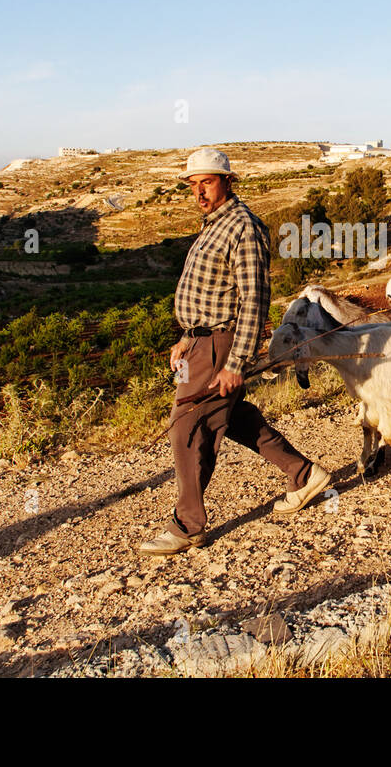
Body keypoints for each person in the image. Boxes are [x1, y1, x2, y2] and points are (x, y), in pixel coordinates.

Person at [136, 148, 331, 556]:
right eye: (193, 184)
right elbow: (208, 296)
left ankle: (188, 525)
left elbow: (254, 301)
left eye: (206, 182)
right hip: (200, 341)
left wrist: (235, 362)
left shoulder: (243, 227)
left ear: (228, 181)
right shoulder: (213, 224)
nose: (199, 192)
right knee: (236, 418)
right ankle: (305, 473)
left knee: (187, 426)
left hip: (220, 344)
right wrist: (186, 337)